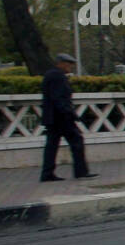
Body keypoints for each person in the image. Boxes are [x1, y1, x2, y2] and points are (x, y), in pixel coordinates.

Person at [40, 53, 96, 181]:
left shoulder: (50, 74)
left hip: (53, 117)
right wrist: (70, 114)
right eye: (68, 64)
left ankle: (47, 173)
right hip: (61, 118)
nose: (70, 67)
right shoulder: (57, 76)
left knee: (52, 145)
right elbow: (59, 98)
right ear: (61, 63)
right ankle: (80, 171)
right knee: (77, 141)